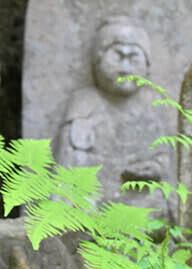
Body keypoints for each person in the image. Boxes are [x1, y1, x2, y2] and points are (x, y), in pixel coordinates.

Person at [53, 16, 173, 214]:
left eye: (134, 58)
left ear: (147, 65)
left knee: (160, 206)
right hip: (94, 199)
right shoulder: (84, 103)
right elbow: (69, 164)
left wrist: (153, 169)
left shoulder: (154, 106)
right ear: (97, 60)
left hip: (140, 200)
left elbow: (164, 162)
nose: (125, 68)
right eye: (117, 57)